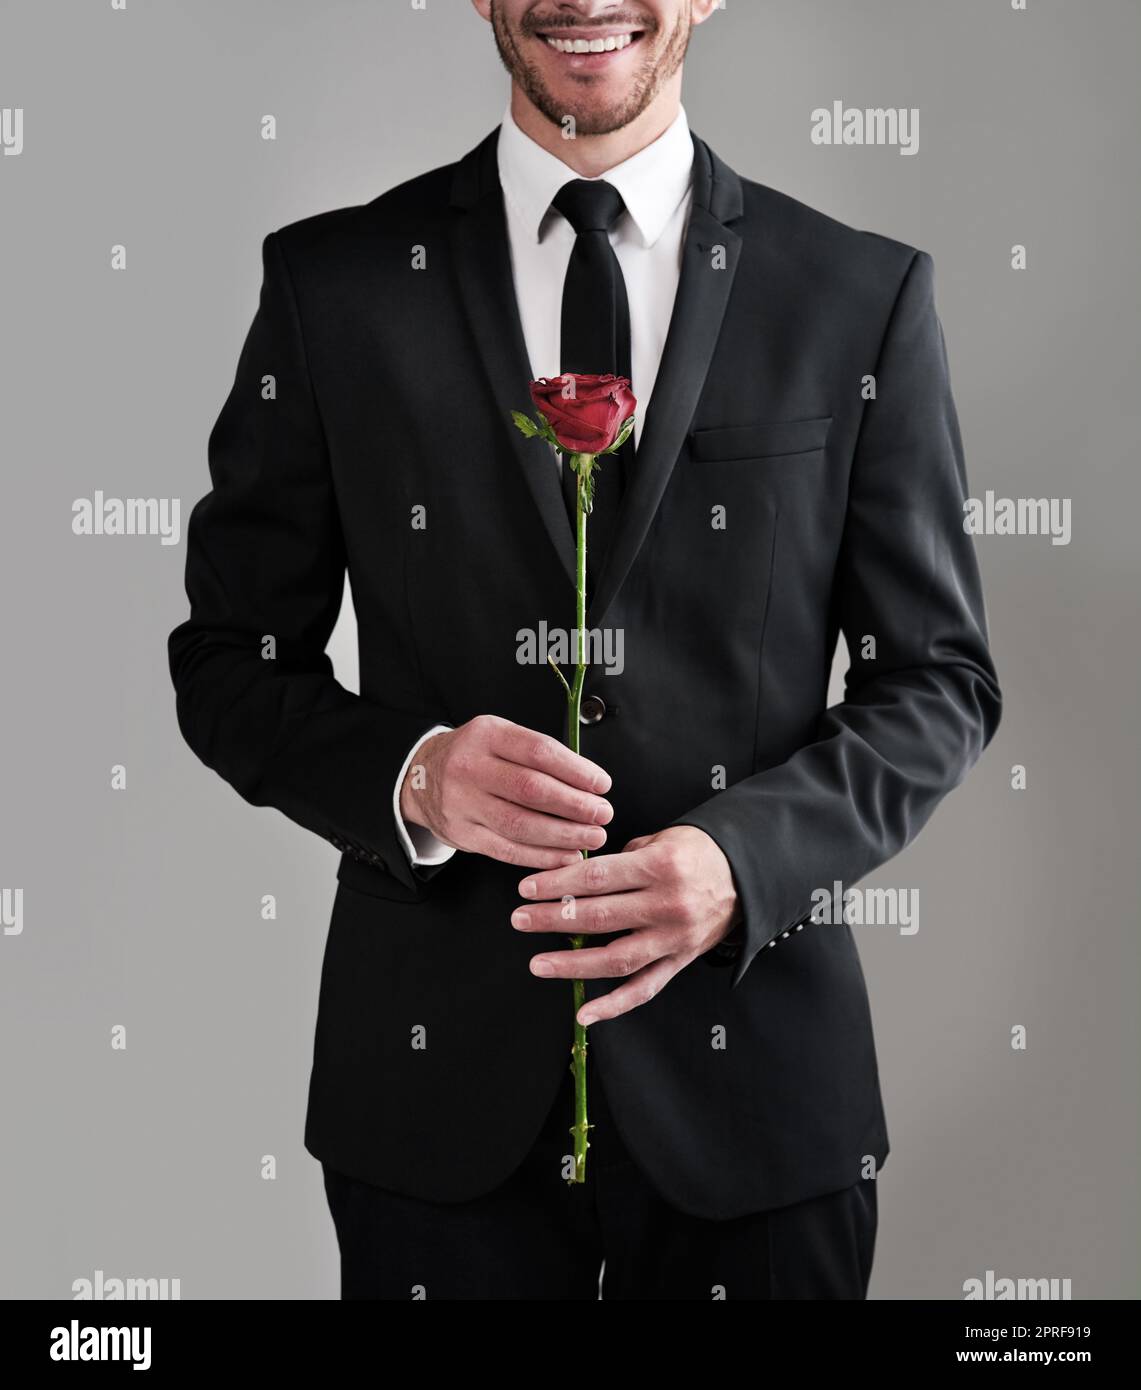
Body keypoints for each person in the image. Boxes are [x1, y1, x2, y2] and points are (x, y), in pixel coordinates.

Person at [168, 0, 1002, 1300]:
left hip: (762, 1104)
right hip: (431, 1107)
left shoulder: (859, 294)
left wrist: (740, 859)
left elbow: (937, 680)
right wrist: (415, 776)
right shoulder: (329, 285)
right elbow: (227, 660)